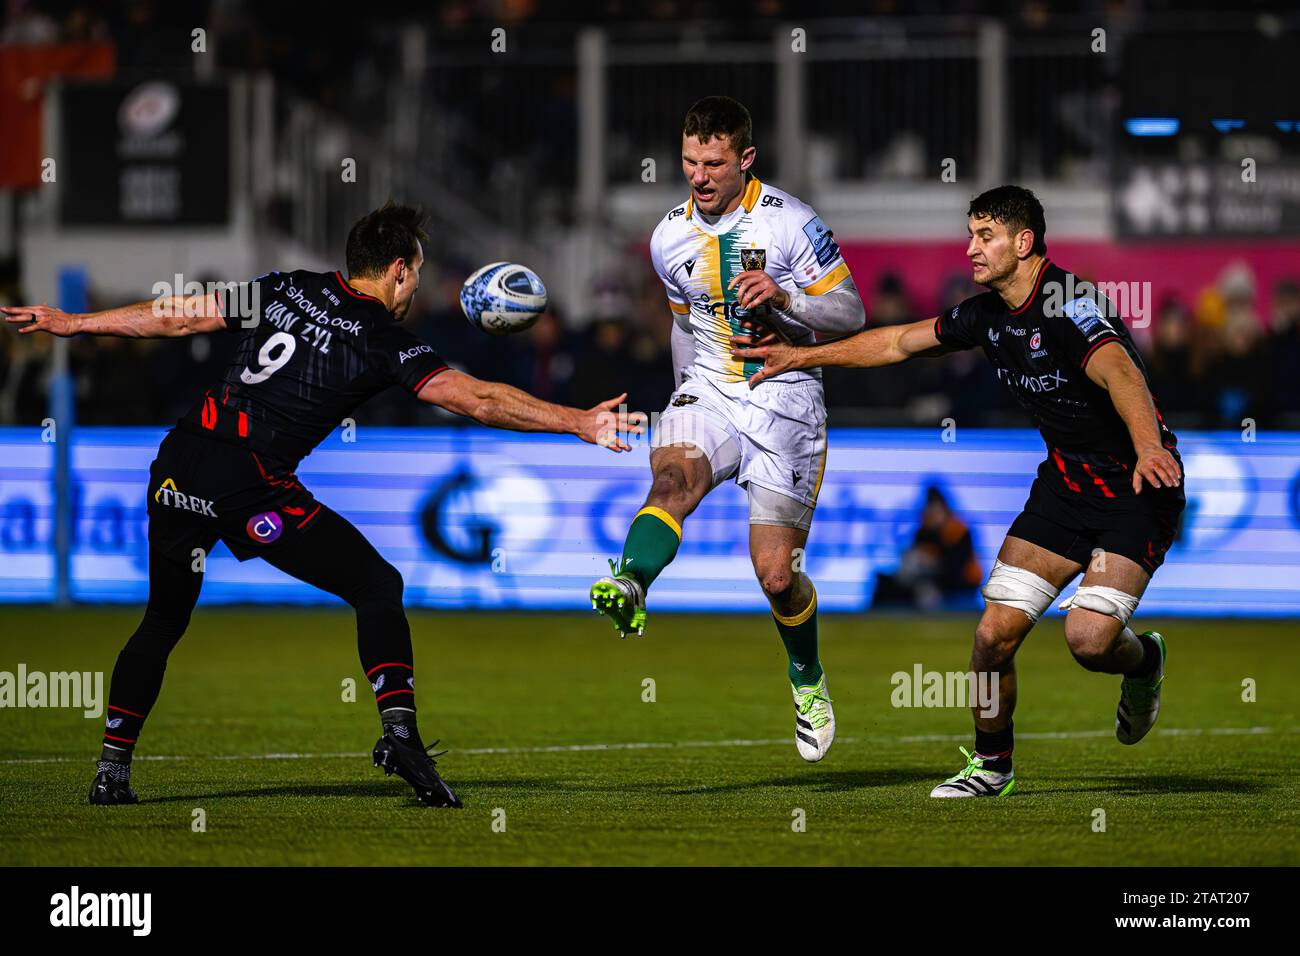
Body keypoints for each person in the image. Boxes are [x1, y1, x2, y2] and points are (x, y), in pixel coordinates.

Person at [2, 201, 643, 808]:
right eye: (415, 275)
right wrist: (577, 423)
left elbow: (181, 316)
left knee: (162, 623)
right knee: (376, 585)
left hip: (181, 460)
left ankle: (112, 772)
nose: (415, 290)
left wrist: (76, 323)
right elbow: (474, 399)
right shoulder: (383, 337)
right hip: (251, 483)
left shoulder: (285, 286)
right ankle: (398, 731)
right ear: (396, 269)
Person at [733, 185, 1183, 796]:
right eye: (970, 234)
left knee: (1087, 640)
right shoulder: (986, 315)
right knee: (992, 636)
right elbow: (896, 342)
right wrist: (798, 357)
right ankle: (991, 765)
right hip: (1066, 487)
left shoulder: (1067, 301)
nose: (970, 248)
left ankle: (1146, 662)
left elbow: (1121, 372)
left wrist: (1150, 446)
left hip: (1136, 487)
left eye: (985, 236)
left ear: (1023, 243)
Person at [588, 96, 866, 763]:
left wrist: (787, 297)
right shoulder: (666, 238)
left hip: (786, 396)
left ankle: (806, 677)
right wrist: (682, 400)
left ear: (746, 159)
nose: (699, 175)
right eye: (689, 161)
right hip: (709, 384)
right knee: (673, 475)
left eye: (713, 162)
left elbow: (852, 314)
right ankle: (631, 581)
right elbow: (685, 324)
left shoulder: (793, 223)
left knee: (775, 575)